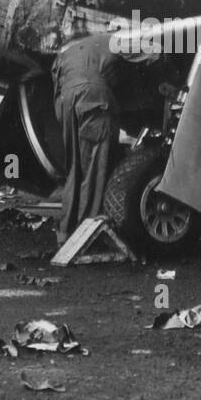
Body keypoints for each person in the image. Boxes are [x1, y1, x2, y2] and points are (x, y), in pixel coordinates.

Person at [51, 31, 155, 244]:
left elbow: (56, 90)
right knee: (95, 168)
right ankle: (86, 232)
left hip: (66, 102)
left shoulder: (63, 54)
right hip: (94, 99)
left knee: (74, 169)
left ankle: (65, 232)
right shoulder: (108, 39)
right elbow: (147, 50)